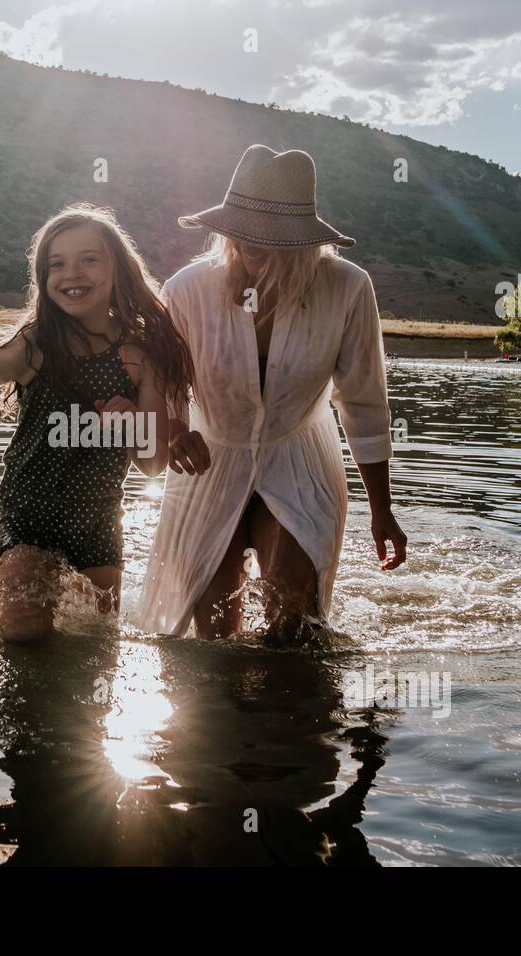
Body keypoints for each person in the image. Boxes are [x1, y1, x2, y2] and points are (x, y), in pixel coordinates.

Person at [134, 145, 406, 643]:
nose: (249, 244)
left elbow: (363, 403)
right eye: (239, 230)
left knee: (291, 629)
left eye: (269, 235)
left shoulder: (347, 289)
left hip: (300, 457)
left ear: (303, 239)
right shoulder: (188, 289)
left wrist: (382, 509)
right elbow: (162, 381)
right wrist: (174, 430)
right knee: (214, 640)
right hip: (209, 460)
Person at [0, 205, 194, 641]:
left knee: (97, 644)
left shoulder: (139, 357)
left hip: (98, 524)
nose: (72, 273)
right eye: (58, 264)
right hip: (27, 515)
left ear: (119, 270)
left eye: (89, 259)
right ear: (44, 278)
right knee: (22, 633)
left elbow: (151, 464)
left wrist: (135, 424)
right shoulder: (33, 346)